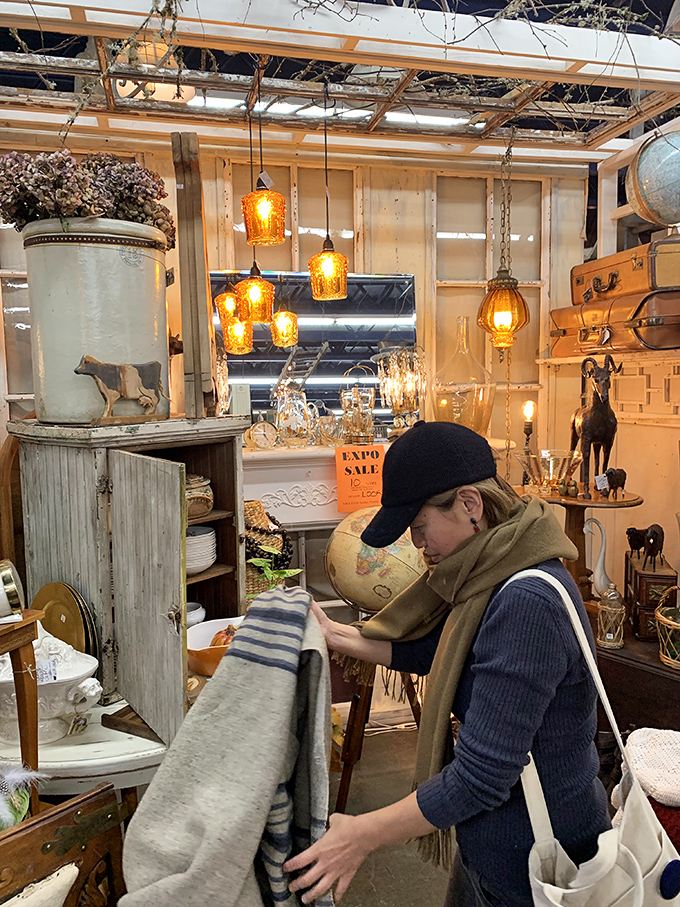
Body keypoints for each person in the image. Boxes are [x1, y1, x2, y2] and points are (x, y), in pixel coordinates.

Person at [283, 420, 611, 907]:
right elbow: (442, 649)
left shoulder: (525, 605)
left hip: (538, 870)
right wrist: (340, 637)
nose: (418, 546)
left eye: (419, 528)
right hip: (495, 848)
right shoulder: (496, 568)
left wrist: (362, 835)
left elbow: (481, 777)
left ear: (469, 505)